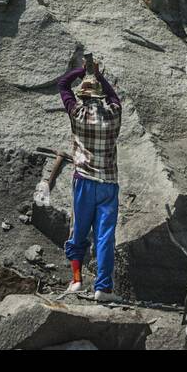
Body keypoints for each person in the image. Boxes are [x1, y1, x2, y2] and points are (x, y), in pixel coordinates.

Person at [52, 54, 121, 301]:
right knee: (105, 236)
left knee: (78, 231)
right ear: (100, 97)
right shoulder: (113, 114)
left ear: (82, 96)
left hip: (83, 181)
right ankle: (103, 288)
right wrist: (98, 75)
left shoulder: (77, 114)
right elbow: (114, 98)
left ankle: (77, 280)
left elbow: (62, 85)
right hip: (108, 185)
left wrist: (82, 72)